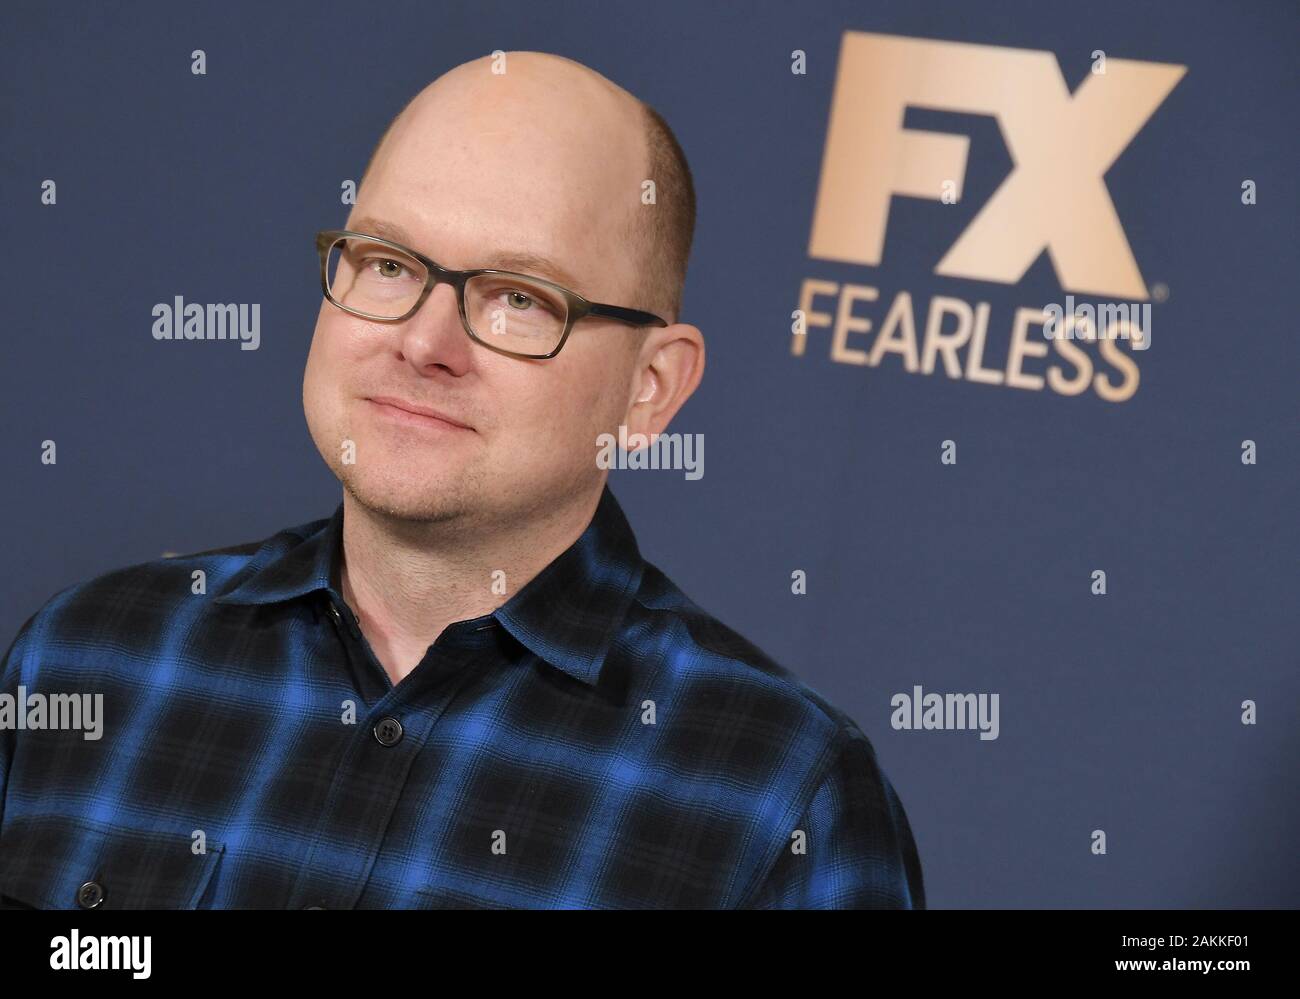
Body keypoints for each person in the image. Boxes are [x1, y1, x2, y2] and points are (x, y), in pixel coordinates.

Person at [0, 51, 923, 909]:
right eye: (390, 264)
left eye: (519, 298)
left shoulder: (782, 799)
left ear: (650, 391)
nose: (424, 343)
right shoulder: (89, 659)